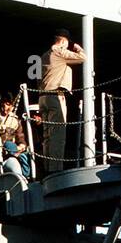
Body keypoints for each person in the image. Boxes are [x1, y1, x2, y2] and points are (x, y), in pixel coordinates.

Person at [39, 28, 86, 171]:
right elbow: (83, 58)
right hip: (55, 96)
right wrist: (78, 48)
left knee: (47, 137)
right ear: (64, 41)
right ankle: (55, 170)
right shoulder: (59, 51)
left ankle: (47, 168)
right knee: (57, 137)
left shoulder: (45, 55)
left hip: (43, 97)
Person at [0, 94, 29, 180]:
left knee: (17, 174)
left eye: (10, 105)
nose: (7, 107)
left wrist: (19, 147)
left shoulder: (15, 121)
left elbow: (21, 139)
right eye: (6, 104)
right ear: (1, 103)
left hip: (9, 158)